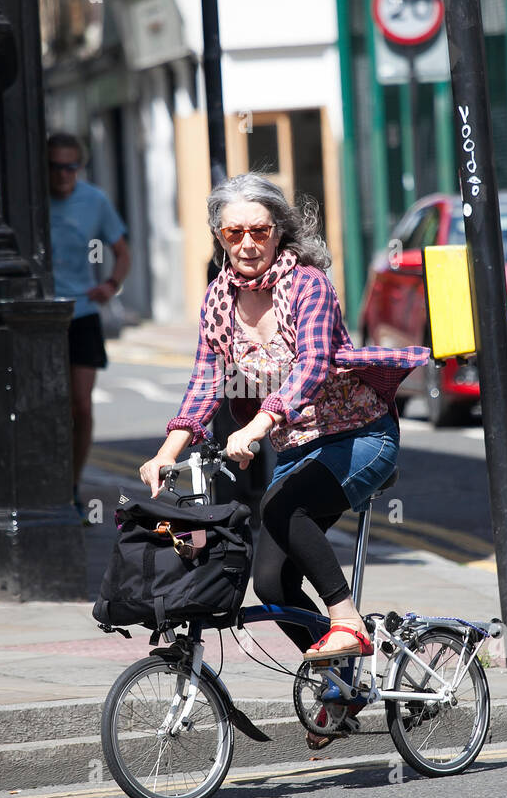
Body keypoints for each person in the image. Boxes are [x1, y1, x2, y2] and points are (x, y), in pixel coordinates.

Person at [140, 173, 431, 699]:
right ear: (219, 237)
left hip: (361, 436)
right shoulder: (218, 300)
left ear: (279, 232)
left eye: (259, 231)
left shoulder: (308, 286)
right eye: (234, 233)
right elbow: (206, 381)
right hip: (298, 448)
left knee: (282, 509)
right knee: (272, 583)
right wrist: (166, 452)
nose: (247, 244)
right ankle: (337, 680)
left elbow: (313, 364)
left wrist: (258, 424)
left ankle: (347, 620)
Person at [48, 132, 131, 521]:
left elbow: (122, 252)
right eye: (55, 167)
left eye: (71, 167)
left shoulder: (94, 200)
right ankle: (47, 484)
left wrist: (111, 285)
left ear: (79, 167)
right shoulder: (30, 200)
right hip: (42, 317)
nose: (63, 175)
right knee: (48, 408)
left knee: (80, 406)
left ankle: (72, 487)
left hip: (81, 314)